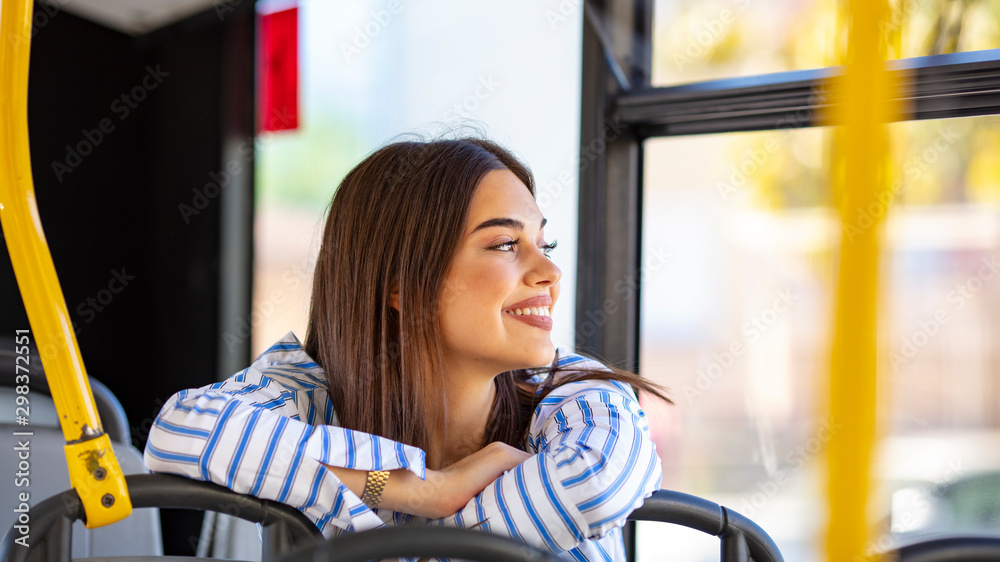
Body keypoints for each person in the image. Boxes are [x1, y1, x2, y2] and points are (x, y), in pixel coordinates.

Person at [144, 137, 671, 560]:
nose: (550, 273)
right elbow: (179, 431)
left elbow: (596, 482)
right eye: (506, 245)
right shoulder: (308, 392)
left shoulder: (575, 395)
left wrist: (409, 529)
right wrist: (422, 490)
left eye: (544, 244)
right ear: (401, 283)